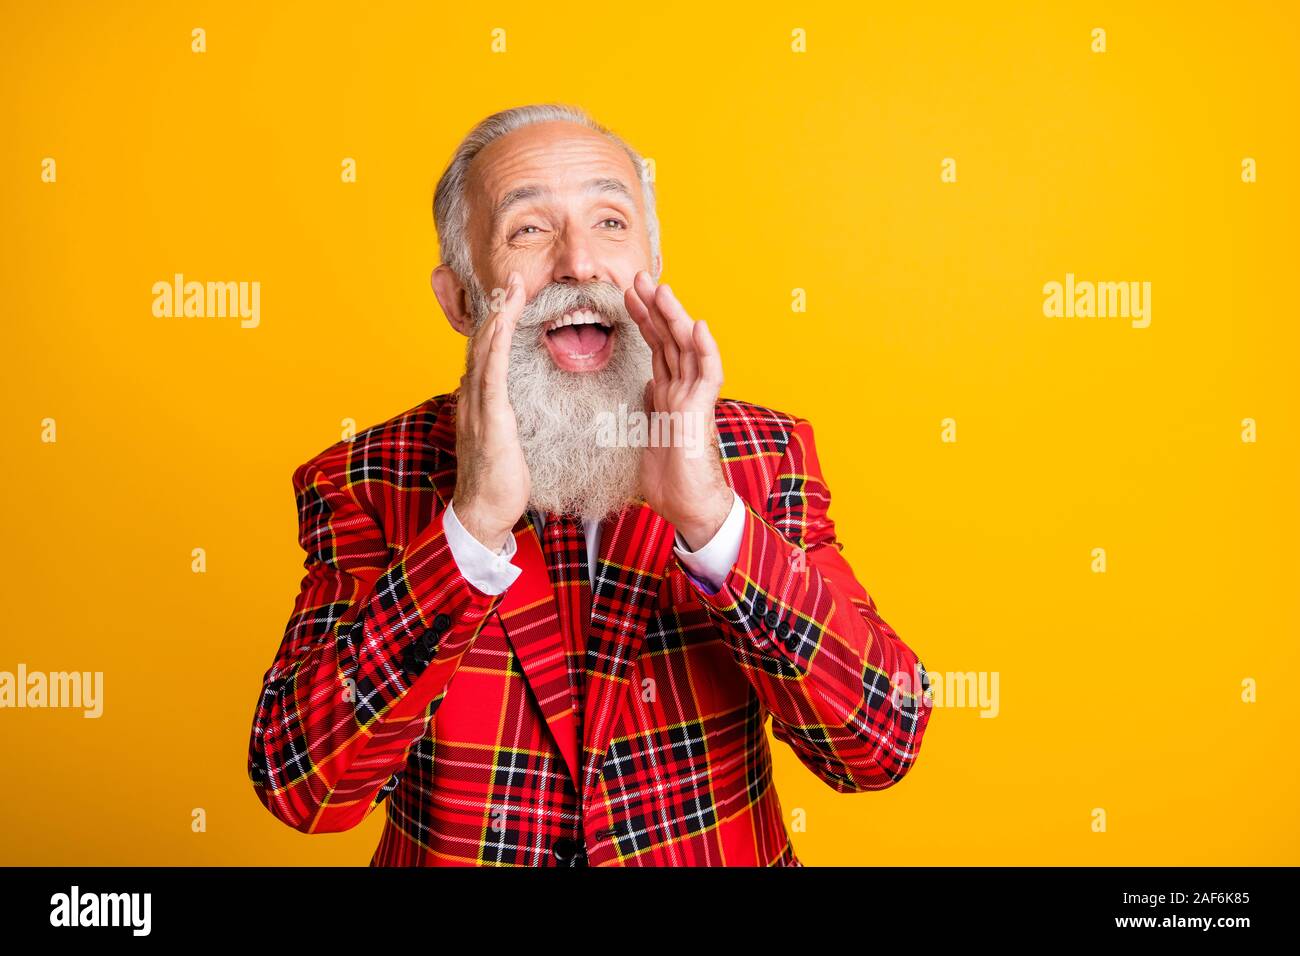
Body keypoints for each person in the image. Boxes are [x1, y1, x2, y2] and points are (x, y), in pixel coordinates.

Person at [247, 103, 933, 866]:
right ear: (459, 299)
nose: (578, 263)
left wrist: (711, 518)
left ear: (652, 265)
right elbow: (302, 786)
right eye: (528, 230)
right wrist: (469, 529)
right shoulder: (369, 477)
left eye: (611, 222)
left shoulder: (763, 452)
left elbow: (879, 743)